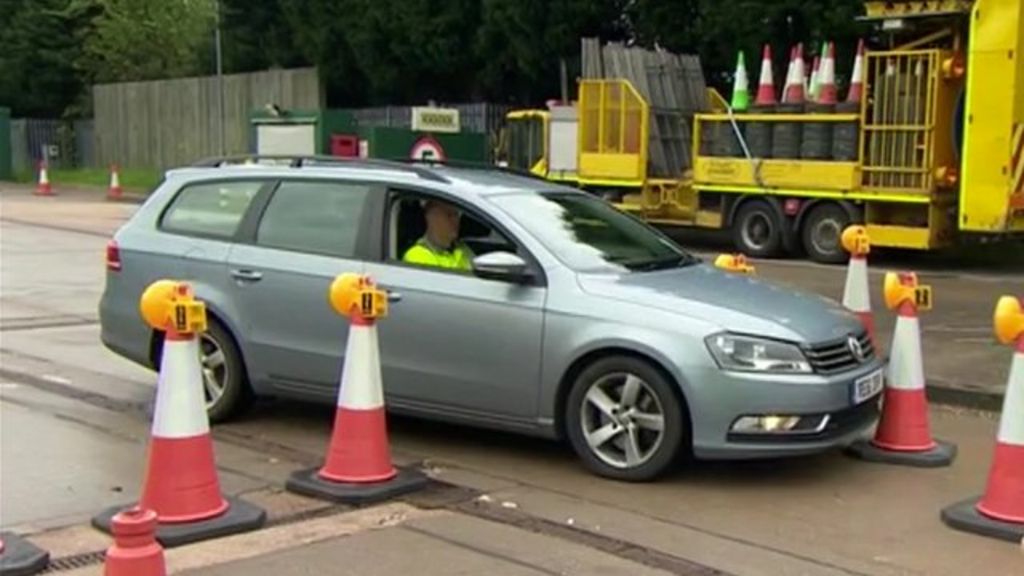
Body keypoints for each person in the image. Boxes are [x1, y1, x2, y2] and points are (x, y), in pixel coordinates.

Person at [402, 199, 474, 270]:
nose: (456, 220)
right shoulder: (416, 256)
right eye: (449, 215)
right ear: (431, 218)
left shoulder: (463, 249)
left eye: (456, 214)